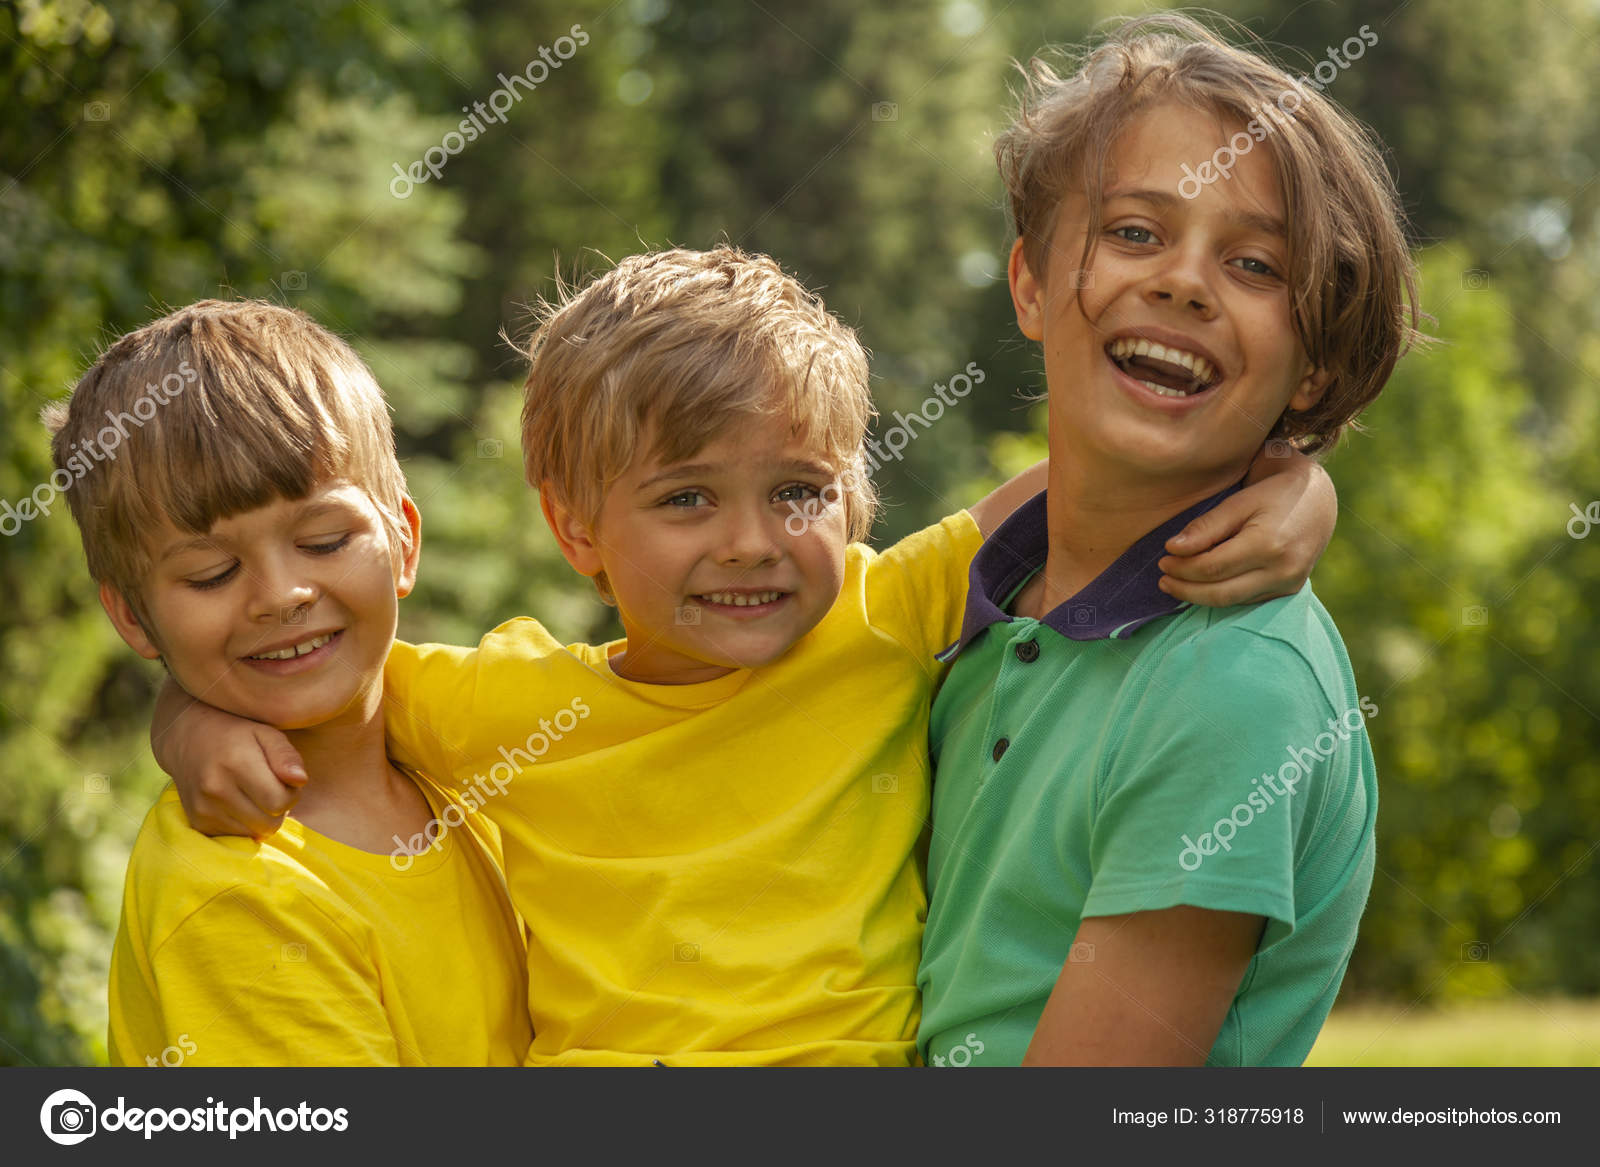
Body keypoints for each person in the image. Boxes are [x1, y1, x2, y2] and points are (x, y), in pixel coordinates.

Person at [155, 247, 1337, 1065]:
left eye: (796, 491)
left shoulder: (878, 619)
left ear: (854, 499)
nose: (750, 544)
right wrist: (191, 725)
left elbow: (1108, 486)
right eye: (683, 499)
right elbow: (318, 673)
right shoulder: (507, 704)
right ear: (575, 528)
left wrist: (1291, 479)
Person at [916, 14, 1421, 1067]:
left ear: (1314, 369)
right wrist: (1297, 479)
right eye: (1135, 232)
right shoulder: (974, 600)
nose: (1183, 282)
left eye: (1252, 264)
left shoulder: (1230, 685)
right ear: (1028, 285)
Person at [45, 300, 531, 1065]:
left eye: (324, 539)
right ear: (132, 617)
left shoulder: (472, 746)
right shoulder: (237, 896)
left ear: (403, 539)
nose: (281, 594)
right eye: (212, 573)